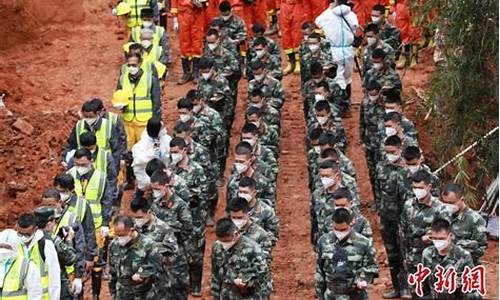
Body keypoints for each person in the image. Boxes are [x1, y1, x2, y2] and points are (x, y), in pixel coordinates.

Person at [67, 148, 112, 299]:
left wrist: (106, 222)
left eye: (83, 164)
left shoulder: (101, 177)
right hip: (75, 225)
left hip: (97, 226)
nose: (80, 167)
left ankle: (96, 294)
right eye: (77, 164)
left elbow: (106, 200)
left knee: (96, 263)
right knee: (77, 260)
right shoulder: (70, 175)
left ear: (91, 161)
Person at [400, 170, 450, 297]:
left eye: (420, 187)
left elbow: (445, 235)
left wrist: (430, 238)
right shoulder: (408, 206)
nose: (417, 190)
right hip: (413, 261)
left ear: (429, 187)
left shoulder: (440, 208)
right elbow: (403, 233)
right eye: (414, 187)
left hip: (433, 262)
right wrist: (406, 258)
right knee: (417, 293)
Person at [373, 135, 412, 299]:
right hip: (387, 219)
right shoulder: (382, 167)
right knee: (392, 254)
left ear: (400, 150)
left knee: (406, 254)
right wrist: (380, 212)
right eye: (387, 151)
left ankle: (407, 287)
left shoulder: (407, 170)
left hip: (403, 221)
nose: (389, 154)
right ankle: (396, 286)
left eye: (392, 151)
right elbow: (378, 191)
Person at [129, 197, 187, 299]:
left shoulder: (164, 229)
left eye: (139, 217)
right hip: (136, 282)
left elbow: (173, 256)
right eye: (135, 217)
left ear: (149, 212)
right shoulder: (133, 228)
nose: (137, 221)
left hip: (157, 283)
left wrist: (152, 252)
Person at [315, 208, 378, 300]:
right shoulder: (323, 241)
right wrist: (320, 296)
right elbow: (320, 272)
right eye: (336, 229)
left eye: (343, 229)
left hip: (355, 295)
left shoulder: (363, 243)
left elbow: (372, 267)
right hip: (331, 295)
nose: (340, 233)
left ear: (351, 224)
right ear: (332, 223)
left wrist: (361, 280)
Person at [210, 218, 270, 299]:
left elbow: (263, 275)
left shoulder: (253, 249)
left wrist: (246, 282)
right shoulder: (217, 247)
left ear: (235, 234)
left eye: (226, 241)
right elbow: (215, 275)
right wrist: (215, 296)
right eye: (221, 241)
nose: (224, 245)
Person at [315, 0, 359, 106]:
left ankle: (335, 103)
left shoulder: (327, 15)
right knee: (347, 78)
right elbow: (355, 26)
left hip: (334, 50)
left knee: (335, 77)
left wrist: (330, 9)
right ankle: (346, 103)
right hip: (348, 50)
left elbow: (317, 21)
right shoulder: (351, 14)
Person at [53, 173, 98, 278]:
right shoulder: (50, 202)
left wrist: (90, 257)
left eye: (62, 191)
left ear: (71, 190)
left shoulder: (82, 205)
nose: (59, 194)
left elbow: (89, 231)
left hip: (75, 254)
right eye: (57, 191)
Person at [421, 218, 479, 299]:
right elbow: (423, 284)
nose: (438, 242)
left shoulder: (463, 256)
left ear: (450, 236)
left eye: (441, 239)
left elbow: (472, 288)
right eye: (434, 238)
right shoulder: (427, 254)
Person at [108, 214, 162, 299]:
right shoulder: (114, 245)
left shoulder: (148, 245)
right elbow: (112, 271)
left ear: (131, 230)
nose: (119, 239)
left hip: (143, 294)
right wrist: (113, 293)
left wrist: (142, 273)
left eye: (122, 235)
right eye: (117, 235)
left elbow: (156, 267)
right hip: (122, 294)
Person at [116, 51, 162, 149]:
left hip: (145, 122)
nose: (131, 67)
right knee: (128, 148)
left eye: (134, 65)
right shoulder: (122, 79)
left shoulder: (150, 79)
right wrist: (119, 103)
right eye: (129, 65)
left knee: (145, 148)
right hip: (128, 121)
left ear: (140, 63)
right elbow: (118, 95)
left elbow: (156, 101)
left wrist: (156, 120)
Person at [34, 206, 81, 300]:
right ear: (49, 223)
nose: (55, 224)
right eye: (54, 221)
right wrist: (68, 240)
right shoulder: (52, 240)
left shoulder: (30, 238)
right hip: (57, 285)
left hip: (37, 286)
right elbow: (70, 259)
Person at [441, 183, 488, 265]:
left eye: (451, 203)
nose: (448, 206)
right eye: (445, 202)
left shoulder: (475, 220)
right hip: (444, 266)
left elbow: (481, 248)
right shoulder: (442, 215)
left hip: (465, 267)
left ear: (462, 200)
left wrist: (460, 246)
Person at [16, 213, 61, 300]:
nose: (23, 237)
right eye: (20, 233)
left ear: (35, 229)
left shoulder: (45, 245)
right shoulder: (14, 244)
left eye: (27, 234)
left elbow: (54, 277)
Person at [64, 100, 120, 166]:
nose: (88, 119)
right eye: (85, 117)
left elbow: (116, 148)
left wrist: (115, 166)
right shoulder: (79, 125)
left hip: (104, 164)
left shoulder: (108, 126)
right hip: (83, 164)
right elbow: (71, 144)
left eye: (90, 117)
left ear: (98, 113)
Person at [0, 229, 43, 300]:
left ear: (15, 247)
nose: (3, 251)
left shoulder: (27, 266)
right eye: (1, 247)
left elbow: (35, 294)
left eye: (7, 247)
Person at [132, 117, 172, 189]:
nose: (164, 129)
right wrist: (153, 152)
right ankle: (139, 193)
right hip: (146, 175)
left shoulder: (166, 139)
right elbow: (138, 162)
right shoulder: (142, 145)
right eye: (161, 128)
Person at [171, 0, 205, 83]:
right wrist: (175, 19)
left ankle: (196, 72)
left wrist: (202, 3)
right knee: (184, 43)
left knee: (197, 43)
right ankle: (186, 72)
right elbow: (174, 2)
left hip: (197, 14)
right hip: (183, 15)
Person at [238, 177, 280, 244]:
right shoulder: (234, 209)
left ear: (254, 192)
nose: (242, 195)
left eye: (245, 192)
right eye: (240, 192)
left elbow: (274, 236)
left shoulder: (267, 211)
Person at [279, 0, 306, 75]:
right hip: (284, 5)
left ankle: (298, 62)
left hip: (297, 5)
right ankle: (290, 63)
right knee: (285, 35)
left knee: (297, 34)